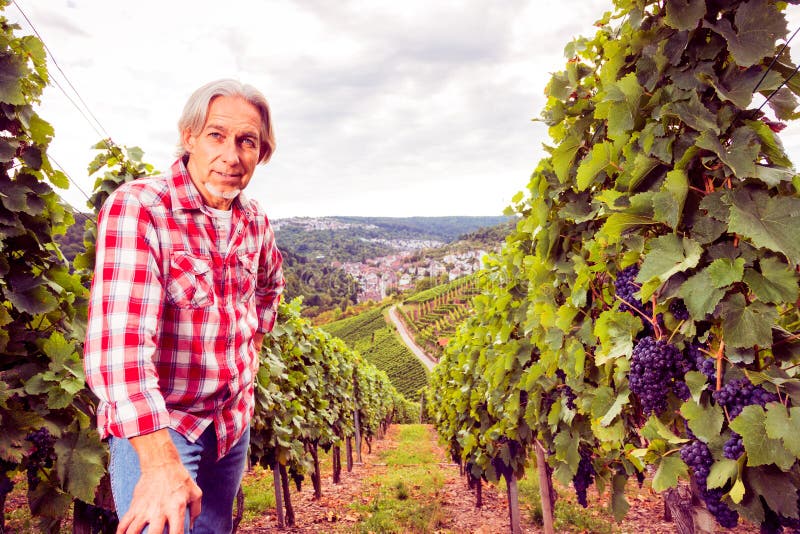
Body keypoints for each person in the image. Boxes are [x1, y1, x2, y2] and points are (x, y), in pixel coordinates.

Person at [84, 79, 285, 534]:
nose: (231, 156)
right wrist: (158, 465)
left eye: (247, 141)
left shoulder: (254, 221)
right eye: (216, 135)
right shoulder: (139, 208)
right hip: (162, 425)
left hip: (231, 423)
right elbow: (120, 347)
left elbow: (271, 287)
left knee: (213, 528)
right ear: (189, 137)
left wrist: (250, 337)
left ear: (261, 153)